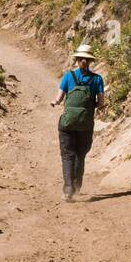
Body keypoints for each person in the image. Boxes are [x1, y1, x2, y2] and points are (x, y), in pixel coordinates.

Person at [50, 44, 105, 201]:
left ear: (77, 59)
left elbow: (58, 99)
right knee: (80, 155)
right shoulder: (97, 79)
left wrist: (54, 102)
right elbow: (101, 103)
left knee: (68, 155)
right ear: (89, 61)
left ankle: (68, 190)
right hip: (86, 124)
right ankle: (77, 188)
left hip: (67, 124)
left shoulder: (68, 77)